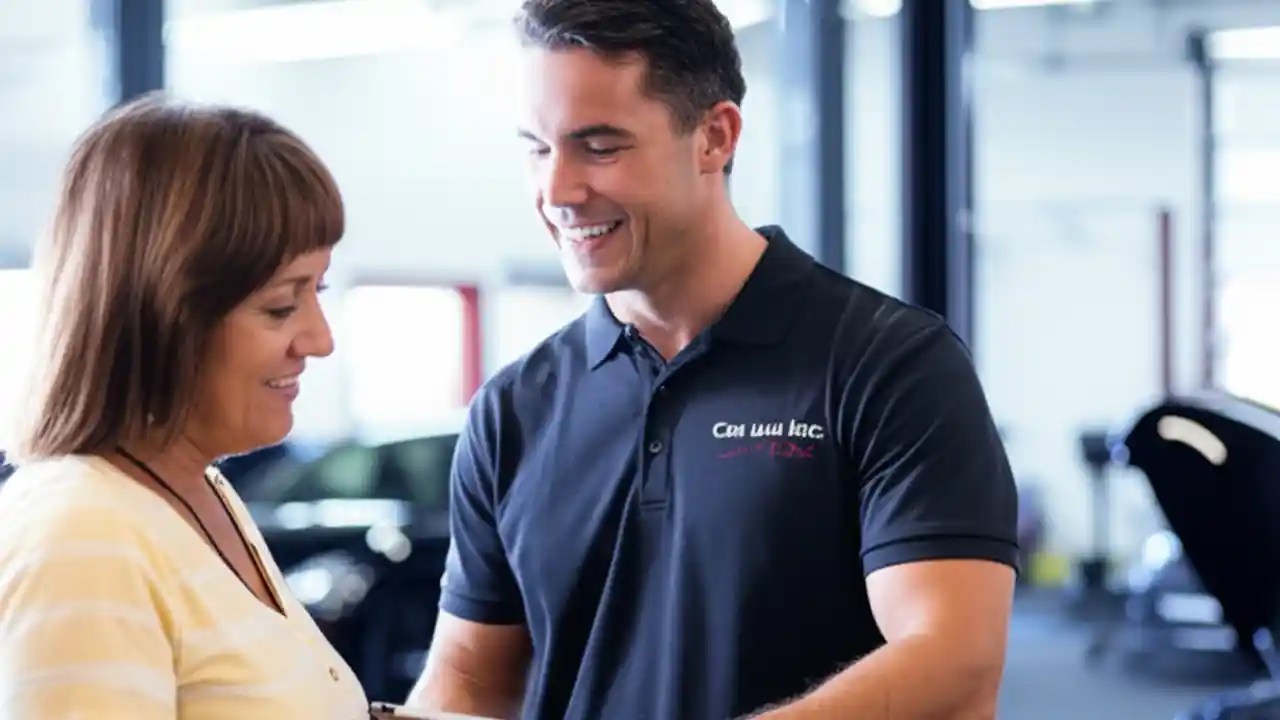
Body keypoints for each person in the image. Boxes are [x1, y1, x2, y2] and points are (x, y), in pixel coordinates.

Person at [407, 0, 1019, 718]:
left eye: (599, 147)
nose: (557, 191)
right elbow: (470, 681)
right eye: (538, 149)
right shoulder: (514, 407)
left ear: (715, 137)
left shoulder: (888, 364)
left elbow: (952, 660)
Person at [0, 95, 370, 719]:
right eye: (281, 306)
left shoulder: (201, 492)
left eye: (319, 291)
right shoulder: (84, 535)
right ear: (164, 313)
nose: (319, 339)